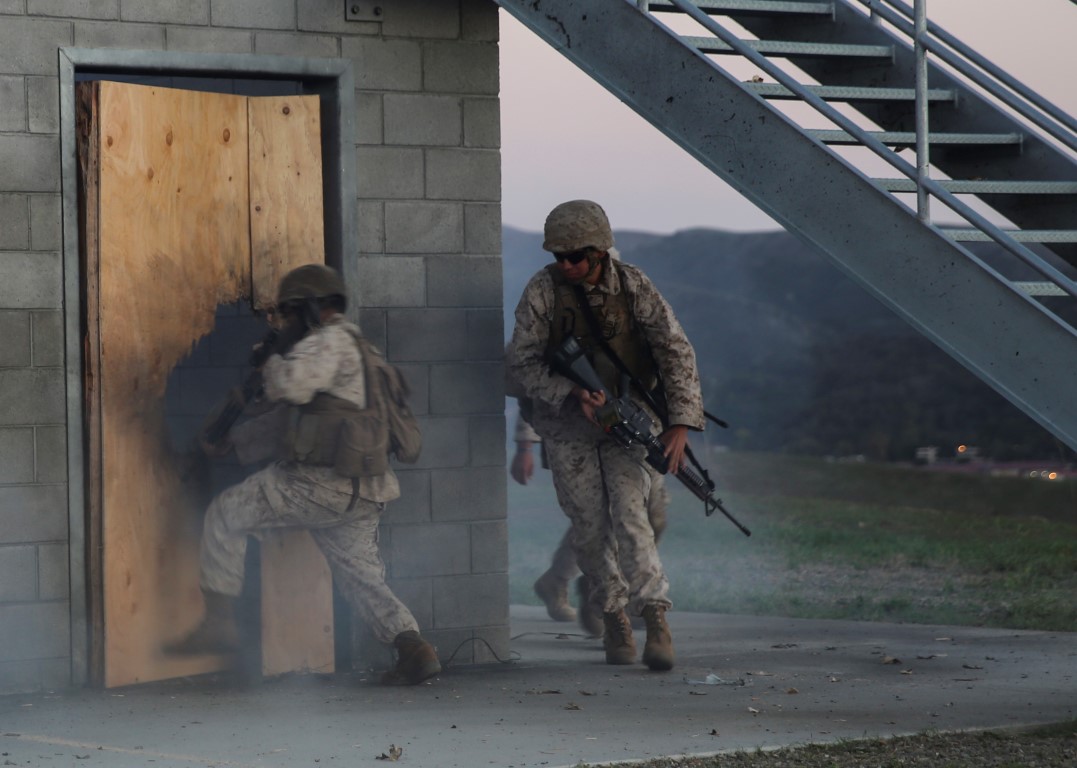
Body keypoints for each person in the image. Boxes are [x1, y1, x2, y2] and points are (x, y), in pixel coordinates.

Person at [166, 264, 441, 686]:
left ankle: (218, 622)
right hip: (363, 489)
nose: (286, 323)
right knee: (363, 579)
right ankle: (412, 646)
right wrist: (235, 443)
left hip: (319, 485)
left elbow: (290, 387)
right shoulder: (362, 350)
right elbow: (298, 421)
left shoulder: (328, 341)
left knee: (226, 513)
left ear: (311, 309)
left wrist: (270, 361)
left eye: (290, 314)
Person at [507, 200, 704, 671]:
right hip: (567, 426)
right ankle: (613, 615)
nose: (567, 265)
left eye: (576, 256)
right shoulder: (543, 291)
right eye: (560, 257)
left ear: (599, 252)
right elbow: (521, 364)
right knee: (590, 528)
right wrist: (570, 393)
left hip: (629, 419)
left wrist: (681, 423)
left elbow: (675, 350)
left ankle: (655, 617)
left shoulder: (633, 285)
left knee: (633, 518)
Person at [511, 407, 669, 637]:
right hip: (583, 429)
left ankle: (562, 579)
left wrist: (678, 426)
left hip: (641, 430)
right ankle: (612, 597)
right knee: (600, 517)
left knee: (653, 518)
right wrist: (525, 444)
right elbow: (539, 385)